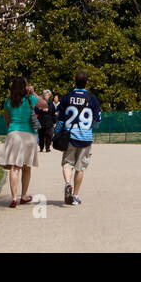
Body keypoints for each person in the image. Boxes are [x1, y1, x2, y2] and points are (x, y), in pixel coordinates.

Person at [56, 71, 101, 207]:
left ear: (74, 81)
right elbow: (97, 120)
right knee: (80, 168)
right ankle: (75, 195)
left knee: (67, 163)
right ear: (86, 82)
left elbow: (60, 119)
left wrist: (58, 132)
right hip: (85, 137)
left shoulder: (67, 97)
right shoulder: (92, 98)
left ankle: (67, 183)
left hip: (70, 135)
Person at [0, 76, 38, 207]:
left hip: (14, 133)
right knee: (26, 167)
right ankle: (23, 196)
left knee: (14, 167)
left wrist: (12, 130)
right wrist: (32, 92)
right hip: (29, 135)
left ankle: (14, 198)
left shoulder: (8, 102)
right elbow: (44, 104)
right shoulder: (31, 100)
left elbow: (7, 120)